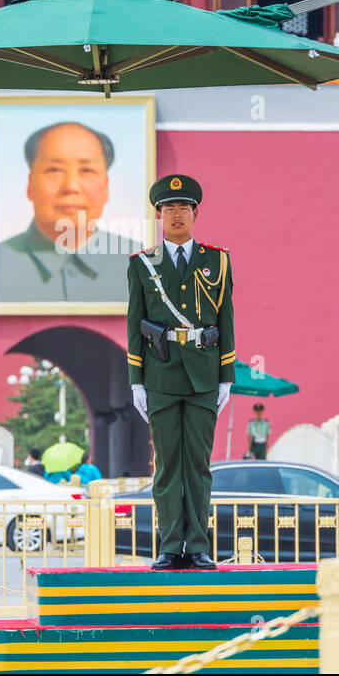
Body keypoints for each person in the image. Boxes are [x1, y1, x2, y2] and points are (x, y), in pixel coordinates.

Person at [127, 174, 235, 571]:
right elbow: (134, 323)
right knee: (168, 466)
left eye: (184, 208)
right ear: (158, 215)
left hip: (205, 375)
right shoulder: (142, 265)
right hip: (161, 375)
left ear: (195, 213)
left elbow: (226, 319)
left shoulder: (217, 260)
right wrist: (136, 381)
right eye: (169, 209)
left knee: (199, 466)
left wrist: (227, 376)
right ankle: (171, 545)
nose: (177, 214)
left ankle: (199, 547)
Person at [0, 122, 143, 302]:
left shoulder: (142, 262)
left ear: (106, 187)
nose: (71, 186)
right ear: (30, 184)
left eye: (86, 170)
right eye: (54, 170)